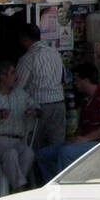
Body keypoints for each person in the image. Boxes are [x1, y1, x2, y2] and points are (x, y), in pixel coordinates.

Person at [35, 64, 100, 181]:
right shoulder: (86, 101)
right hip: (85, 141)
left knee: (66, 153)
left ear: (86, 80)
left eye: (77, 80)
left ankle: (65, 186)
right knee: (44, 154)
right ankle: (51, 184)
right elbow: (81, 127)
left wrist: (86, 139)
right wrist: (76, 139)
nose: (75, 83)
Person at [0, 61, 40, 191]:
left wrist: (34, 112)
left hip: (17, 140)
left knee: (28, 153)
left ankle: (15, 187)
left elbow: (38, 109)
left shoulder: (21, 95)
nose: (17, 76)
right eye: (13, 73)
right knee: (10, 154)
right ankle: (19, 188)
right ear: (3, 77)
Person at [15, 23, 66, 152]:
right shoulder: (55, 53)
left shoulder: (28, 58)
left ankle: (39, 172)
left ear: (25, 39)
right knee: (56, 147)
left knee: (36, 147)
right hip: (59, 104)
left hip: (39, 107)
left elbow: (18, 87)